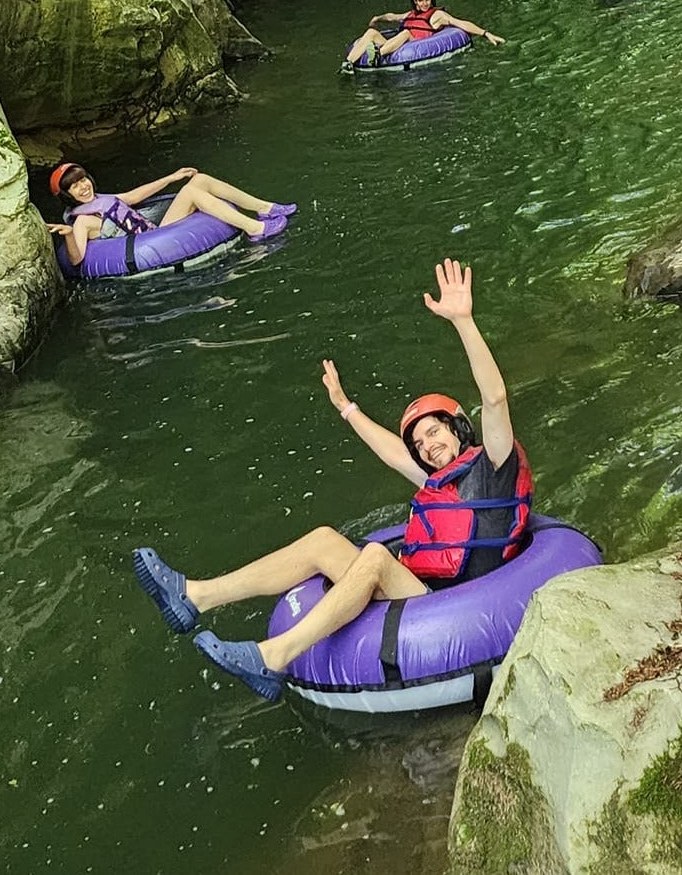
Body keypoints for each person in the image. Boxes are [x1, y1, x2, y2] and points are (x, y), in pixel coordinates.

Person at [131, 259, 531, 701]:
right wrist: (346, 407)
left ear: (457, 428)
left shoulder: (495, 466)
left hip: (459, 605)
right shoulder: (438, 481)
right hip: (421, 593)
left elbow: (494, 398)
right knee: (324, 539)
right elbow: (390, 450)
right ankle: (194, 597)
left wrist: (463, 321)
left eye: (434, 431)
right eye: (420, 441)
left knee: (376, 557)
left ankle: (273, 657)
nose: (427, 445)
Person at [46, 162, 295, 267]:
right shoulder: (82, 221)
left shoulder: (101, 200)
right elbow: (77, 261)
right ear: (68, 195)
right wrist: (68, 234)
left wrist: (171, 178)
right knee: (194, 195)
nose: (83, 186)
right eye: (75, 186)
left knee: (200, 180)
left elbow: (133, 197)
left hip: (154, 231)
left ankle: (265, 208)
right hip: (151, 243)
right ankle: (256, 230)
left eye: (83, 180)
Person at [342, 0, 505, 68]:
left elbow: (461, 23)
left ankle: (377, 54)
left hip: (415, 43)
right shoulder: (410, 14)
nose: (425, 3)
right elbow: (392, 17)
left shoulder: (437, 15)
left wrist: (486, 34)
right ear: (415, 2)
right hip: (397, 45)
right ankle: (348, 64)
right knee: (371, 33)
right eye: (421, 0)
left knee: (405, 33)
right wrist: (378, 18)